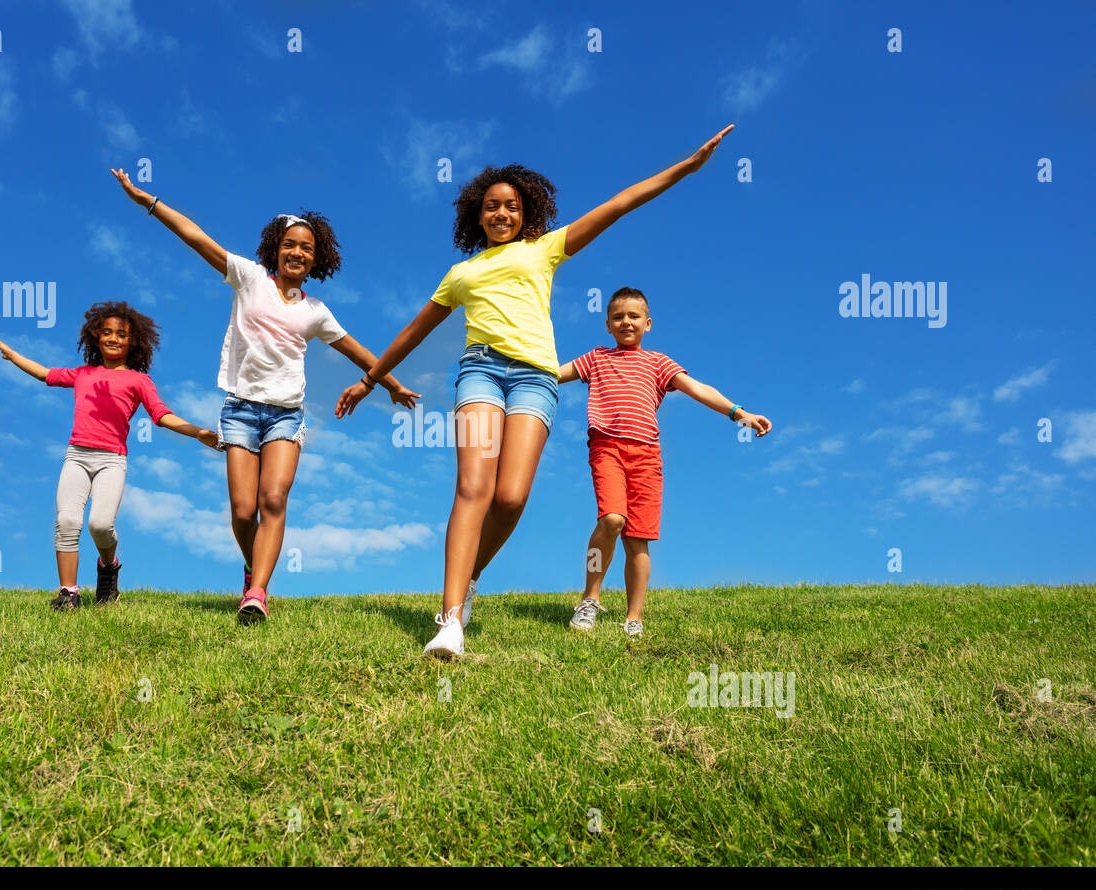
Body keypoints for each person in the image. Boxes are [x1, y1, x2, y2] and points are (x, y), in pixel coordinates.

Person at [335, 126, 736, 659]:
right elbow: (415, 330)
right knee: (472, 489)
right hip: (479, 372)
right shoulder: (461, 273)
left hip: (536, 379)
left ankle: (470, 573)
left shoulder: (544, 250)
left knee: (511, 497)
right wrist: (369, 379)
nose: (502, 214)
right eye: (492, 207)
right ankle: (450, 619)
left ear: (526, 215)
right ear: (477, 214)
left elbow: (617, 205)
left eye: (512, 207)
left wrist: (685, 168)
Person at [112, 169, 419, 622]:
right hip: (239, 411)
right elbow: (197, 238)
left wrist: (387, 385)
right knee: (242, 510)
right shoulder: (248, 278)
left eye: (307, 248)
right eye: (290, 244)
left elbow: (356, 350)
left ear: (318, 259)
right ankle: (251, 565)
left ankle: (257, 593)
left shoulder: (316, 312)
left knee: (273, 499)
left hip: (286, 416)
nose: (298, 252)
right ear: (276, 248)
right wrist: (148, 202)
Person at [558, 286, 772, 637]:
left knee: (637, 541)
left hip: (646, 457)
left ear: (648, 323)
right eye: (617, 317)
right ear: (607, 325)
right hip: (607, 447)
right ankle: (589, 599)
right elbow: (553, 373)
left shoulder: (658, 362)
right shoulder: (596, 358)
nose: (626, 322)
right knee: (612, 519)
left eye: (633, 316)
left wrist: (738, 413)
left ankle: (634, 619)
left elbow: (697, 388)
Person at [0, 302, 218, 610]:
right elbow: (46, 374)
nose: (113, 338)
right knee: (67, 520)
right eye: (107, 333)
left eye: (122, 334)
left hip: (112, 460)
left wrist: (197, 433)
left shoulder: (139, 381)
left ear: (133, 342)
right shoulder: (83, 374)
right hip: (77, 455)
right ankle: (68, 593)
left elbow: (162, 415)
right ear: (95, 338)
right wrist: (14, 356)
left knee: (100, 525)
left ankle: (108, 567)